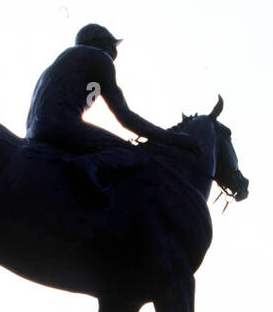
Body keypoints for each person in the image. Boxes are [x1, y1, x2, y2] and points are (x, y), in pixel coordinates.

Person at [26, 23, 201, 198]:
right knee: (134, 154)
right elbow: (125, 117)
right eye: (112, 47)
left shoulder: (64, 60)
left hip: (35, 131)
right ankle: (89, 165)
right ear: (103, 43)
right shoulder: (100, 58)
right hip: (62, 125)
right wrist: (173, 139)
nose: (114, 54)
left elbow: (85, 97)